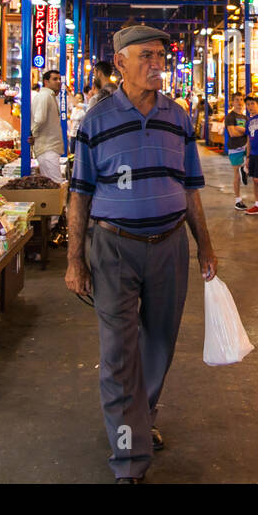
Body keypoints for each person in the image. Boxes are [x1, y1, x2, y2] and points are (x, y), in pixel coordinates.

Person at [65, 24, 217, 482]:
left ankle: (139, 414)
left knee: (159, 342)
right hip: (113, 247)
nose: (158, 63)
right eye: (147, 55)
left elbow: (190, 188)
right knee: (117, 350)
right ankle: (128, 455)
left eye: (161, 55)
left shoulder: (178, 117)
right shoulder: (95, 121)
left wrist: (204, 245)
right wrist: (75, 260)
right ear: (121, 64)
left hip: (170, 244)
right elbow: (79, 195)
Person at [29, 70, 65, 182]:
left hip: (49, 148)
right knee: (56, 184)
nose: (58, 82)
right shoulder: (45, 96)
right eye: (55, 79)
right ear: (46, 81)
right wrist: (34, 135)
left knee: (53, 183)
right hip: (47, 149)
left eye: (59, 79)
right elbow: (39, 119)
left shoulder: (50, 96)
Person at [222, 91, 249, 209]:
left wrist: (240, 129)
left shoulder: (245, 117)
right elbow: (232, 133)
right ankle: (238, 200)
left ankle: (245, 169)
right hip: (235, 148)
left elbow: (249, 134)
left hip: (246, 147)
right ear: (232, 102)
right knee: (236, 174)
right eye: (237, 100)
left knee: (250, 167)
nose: (239, 102)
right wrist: (244, 130)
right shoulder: (230, 117)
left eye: (241, 100)